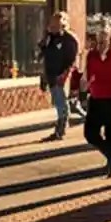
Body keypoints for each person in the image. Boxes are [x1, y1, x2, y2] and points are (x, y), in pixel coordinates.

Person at [82, 14, 111, 178]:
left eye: (104, 39)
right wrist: (84, 88)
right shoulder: (91, 56)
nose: (101, 43)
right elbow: (87, 77)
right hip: (96, 99)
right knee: (90, 134)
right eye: (98, 39)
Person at [38, 11, 79, 142]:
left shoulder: (69, 39)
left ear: (63, 24)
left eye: (57, 24)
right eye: (52, 24)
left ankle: (61, 129)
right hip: (51, 74)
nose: (53, 27)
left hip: (62, 74)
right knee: (57, 101)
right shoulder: (50, 38)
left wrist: (66, 74)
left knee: (61, 102)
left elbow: (72, 59)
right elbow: (44, 53)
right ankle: (61, 125)